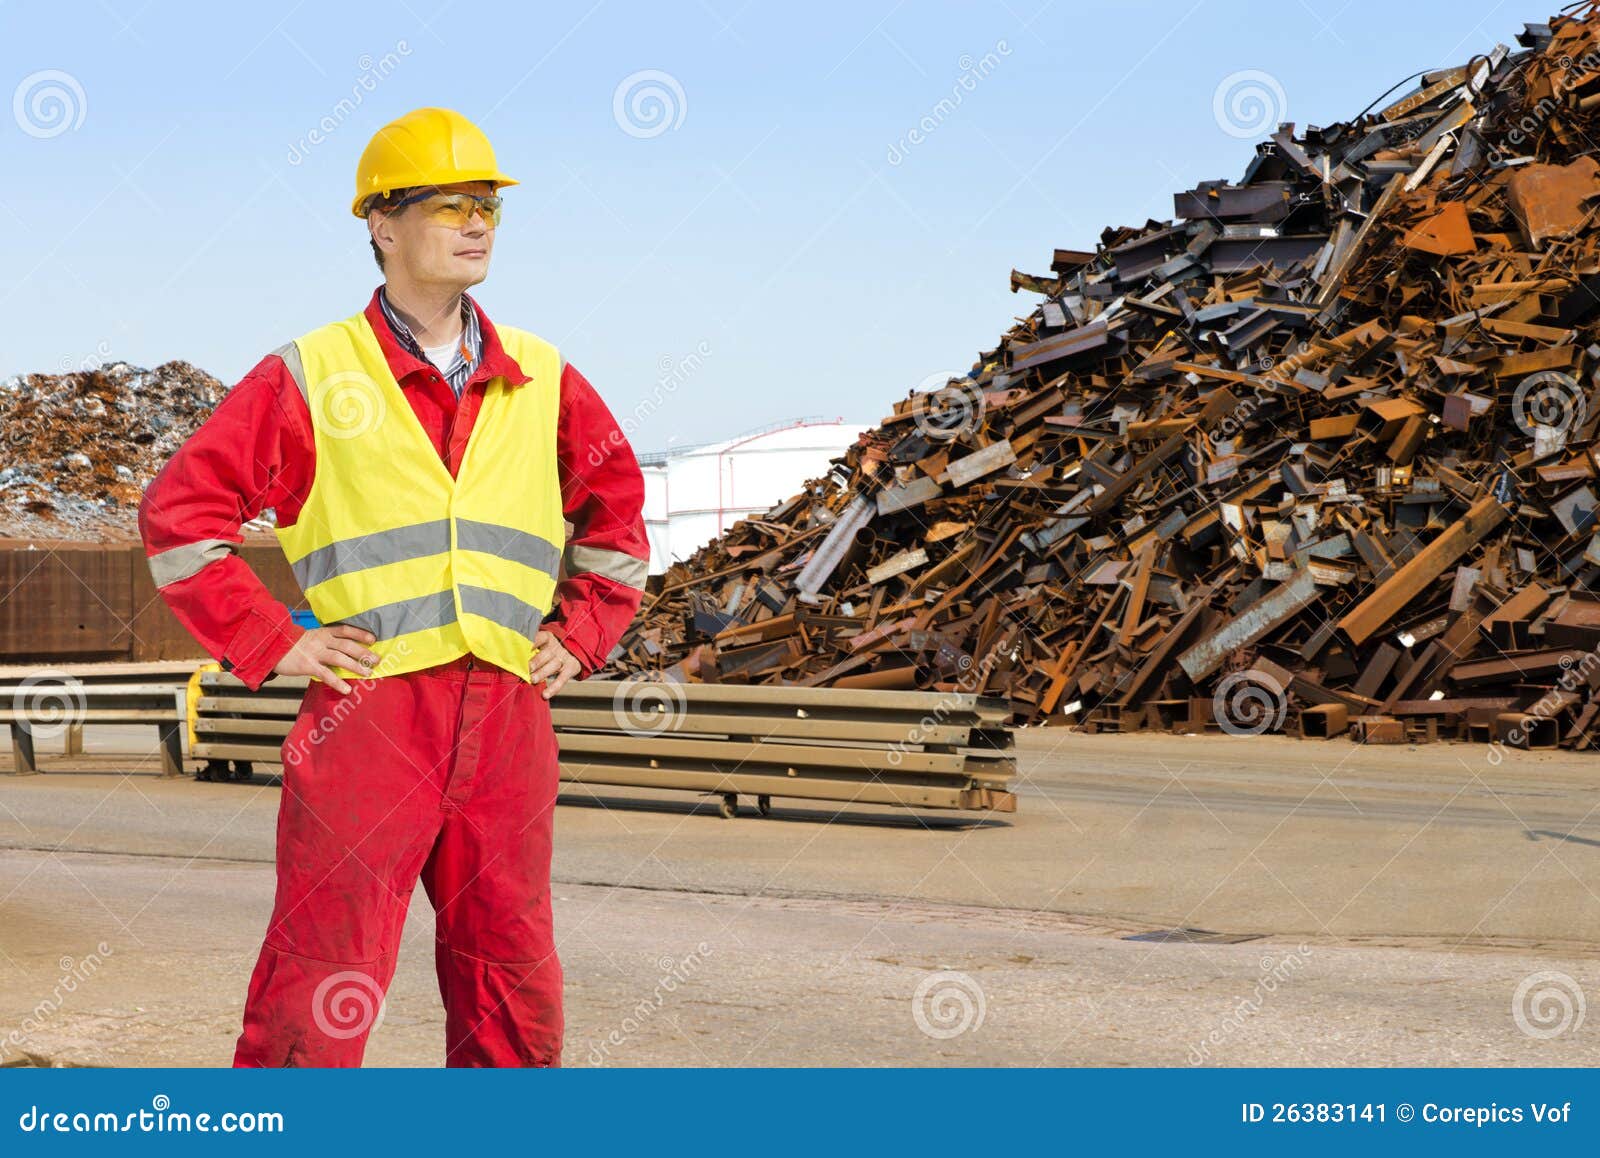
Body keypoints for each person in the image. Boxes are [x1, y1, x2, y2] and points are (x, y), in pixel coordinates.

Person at [137, 106, 649, 1067]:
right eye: (450, 204)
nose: (477, 223)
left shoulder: (542, 377)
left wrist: (582, 634)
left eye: (488, 205)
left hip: (505, 714)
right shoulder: (315, 373)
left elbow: (615, 519)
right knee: (326, 967)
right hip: (369, 715)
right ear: (379, 222)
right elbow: (181, 516)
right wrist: (276, 640)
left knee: (511, 969)